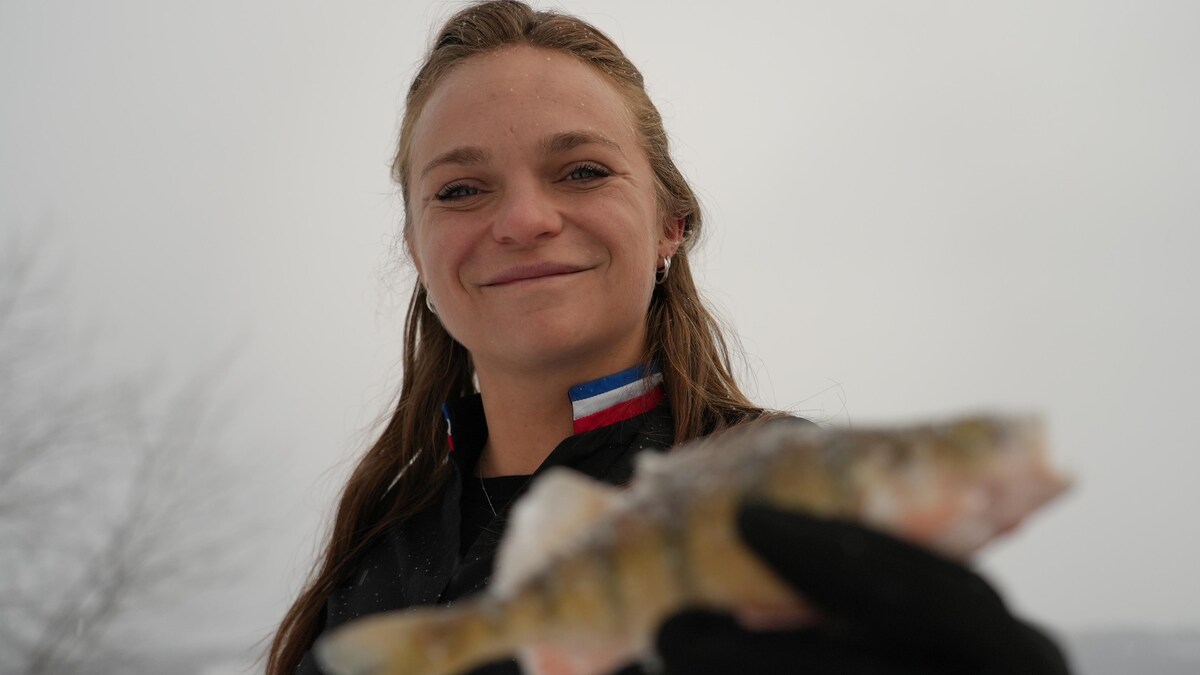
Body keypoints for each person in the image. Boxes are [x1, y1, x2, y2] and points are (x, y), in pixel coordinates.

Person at [267, 2, 1069, 674]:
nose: (522, 220)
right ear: (417, 248)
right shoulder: (373, 549)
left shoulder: (804, 503)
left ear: (668, 225)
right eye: (461, 188)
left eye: (581, 170)